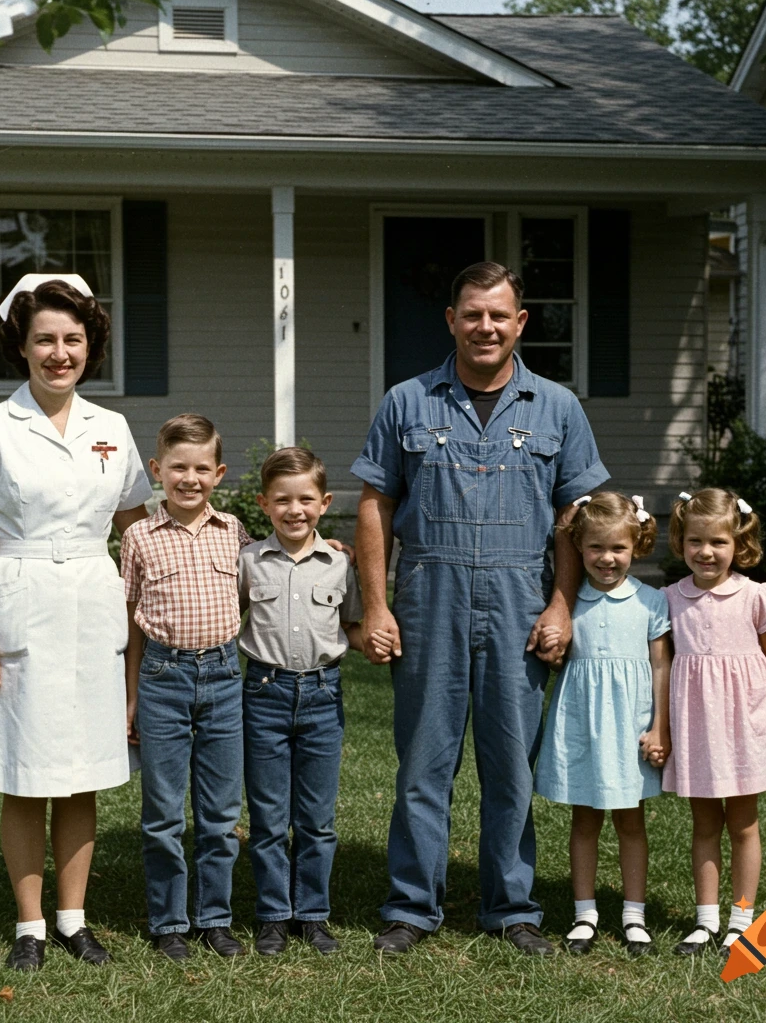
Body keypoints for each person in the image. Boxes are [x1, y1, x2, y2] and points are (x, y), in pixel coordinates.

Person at [353, 261, 609, 955]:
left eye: (499, 315)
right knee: (423, 764)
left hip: (520, 601)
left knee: (511, 765)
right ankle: (411, 907)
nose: (485, 327)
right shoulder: (407, 401)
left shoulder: (558, 407)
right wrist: (376, 606)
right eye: (472, 314)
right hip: (429, 597)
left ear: (520, 322)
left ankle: (512, 907)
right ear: (452, 321)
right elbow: (374, 505)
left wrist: (562, 605)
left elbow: (575, 516)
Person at [0, 275, 153, 972]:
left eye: (73, 339)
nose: (60, 353)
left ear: (91, 346)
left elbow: (140, 533)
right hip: (19, 605)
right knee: (25, 772)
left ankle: (73, 920)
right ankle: (29, 925)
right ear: (22, 347)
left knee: (84, 770)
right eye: (45, 340)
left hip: (94, 603)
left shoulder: (111, 429)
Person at [121, 414, 252, 960]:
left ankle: (215, 918)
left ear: (218, 473)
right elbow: (131, 622)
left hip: (223, 679)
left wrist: (326, 546)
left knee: (221, 815)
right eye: (178, 468)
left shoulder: (234, 533)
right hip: (161, 679)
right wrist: (131, 694)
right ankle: (169, 922)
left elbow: (264, 583)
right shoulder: (138, 538)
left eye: (201, 468)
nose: (189, 479)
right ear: (157, 470)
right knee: (163, 815)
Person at [237, 447, 365, 956]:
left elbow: (353, 626)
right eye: (283, 500)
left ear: (324, 503)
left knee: (316, 818)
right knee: (268, 817)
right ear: (264, 504)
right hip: (263, 695)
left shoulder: (339, 563)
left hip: (321, 695)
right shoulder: (248, 561)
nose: (295, 510)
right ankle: (273, 914)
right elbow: (228, 618)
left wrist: (386, 642)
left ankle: (312, 914)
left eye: (306, 500)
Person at [534, 492, 672, 958]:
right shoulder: (568, 602)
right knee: (585, 820)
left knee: (632, 821)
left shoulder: (651, 602)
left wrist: (660, 727)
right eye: (595, 547)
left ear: (636, 546)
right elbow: (557, 657)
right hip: (583, 725)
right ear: (578, 546)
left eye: (618, 548)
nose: (606, 558)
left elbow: (661, 666)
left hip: (631, 726)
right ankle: (585, 913)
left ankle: (634, 915)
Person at [662, 489, 766, 958]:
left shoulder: (755, 595)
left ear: (739, 543)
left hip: (743, 731)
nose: (706, 552)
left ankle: (742, 921)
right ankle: (705, 922)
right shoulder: (670, 599)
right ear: (681, 542)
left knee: (742, 824)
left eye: (718, 541)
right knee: (703, 824)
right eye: (695, 541)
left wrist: (753, 712)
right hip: (696, 730)